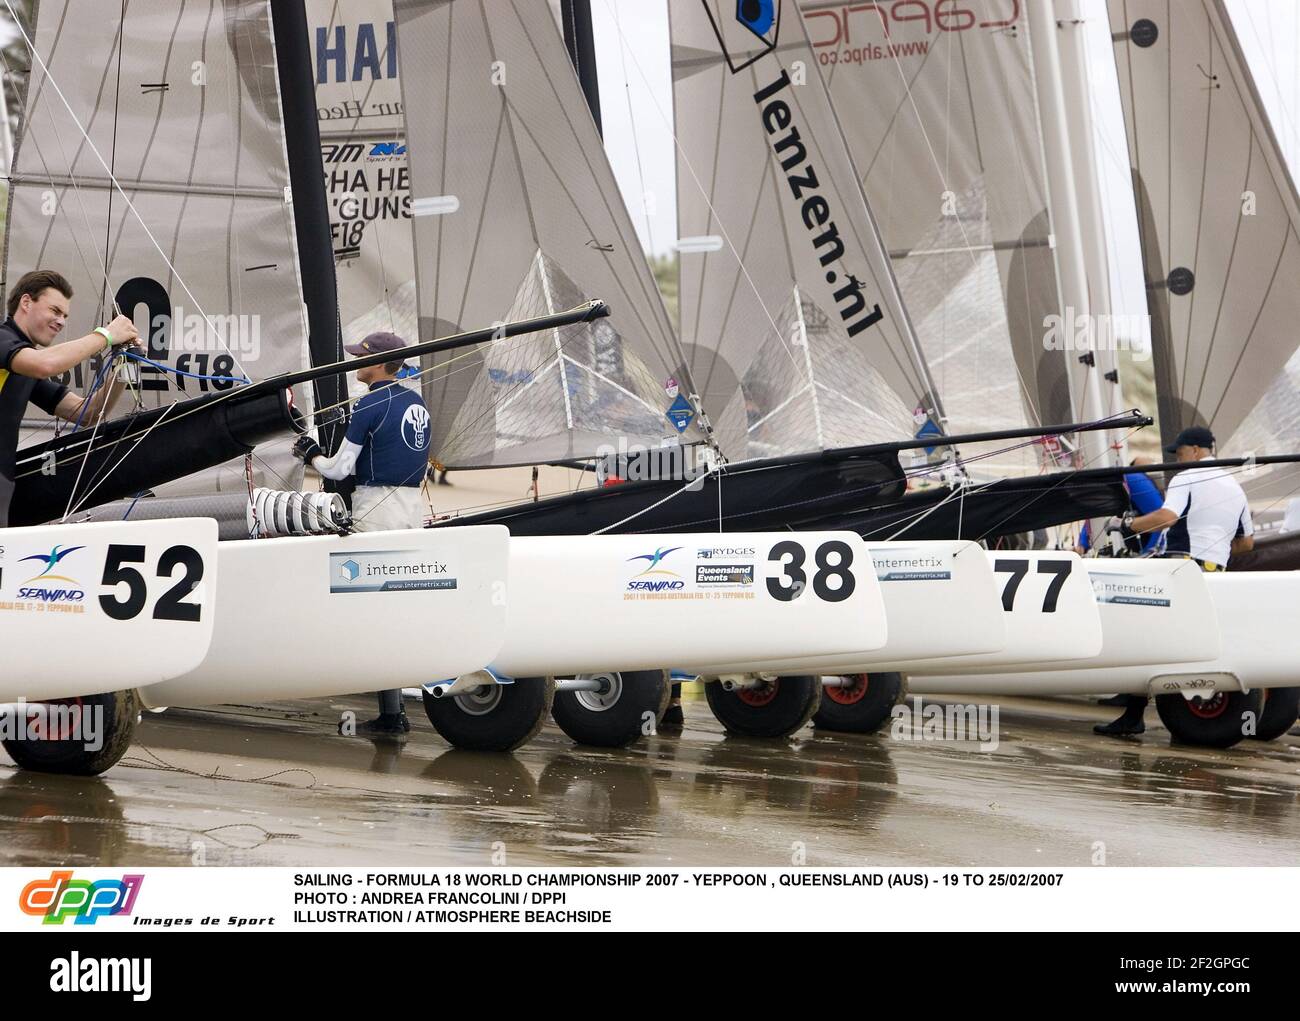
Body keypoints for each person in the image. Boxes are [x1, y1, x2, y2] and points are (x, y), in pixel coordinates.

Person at [291, 331, 431, 738]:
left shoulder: (370, 403)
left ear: (381, 364)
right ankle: (393, 711)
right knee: (392, 612)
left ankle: (392, 717)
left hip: (376, 510)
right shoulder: (416, 401)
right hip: (410, 512)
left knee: (373, 612)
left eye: (362, 358)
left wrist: (309, 452)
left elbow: (338, 471)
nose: (355, 362)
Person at [1093, 427, 1254, 737]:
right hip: (1213, 573)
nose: (1177, 460)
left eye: (1179, 453)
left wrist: (1126, 524)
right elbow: (1246, 543)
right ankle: (1133, 706)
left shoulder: (1187, 477)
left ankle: (1132, 714)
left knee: (1145, 635)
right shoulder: (1236, 487)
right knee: (1169, 638)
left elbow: (1166, 518)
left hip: (1180, 569)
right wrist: (1216, 546)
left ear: (1195, 450)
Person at [0, 270, 142, 527]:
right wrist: (106, 335)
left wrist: (125, 362)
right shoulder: (4, 340)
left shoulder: (24, 362)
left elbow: (87, 413)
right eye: (55, 310)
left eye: (65, 315)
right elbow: (45, 364)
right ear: (26, 302)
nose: (61, 321)